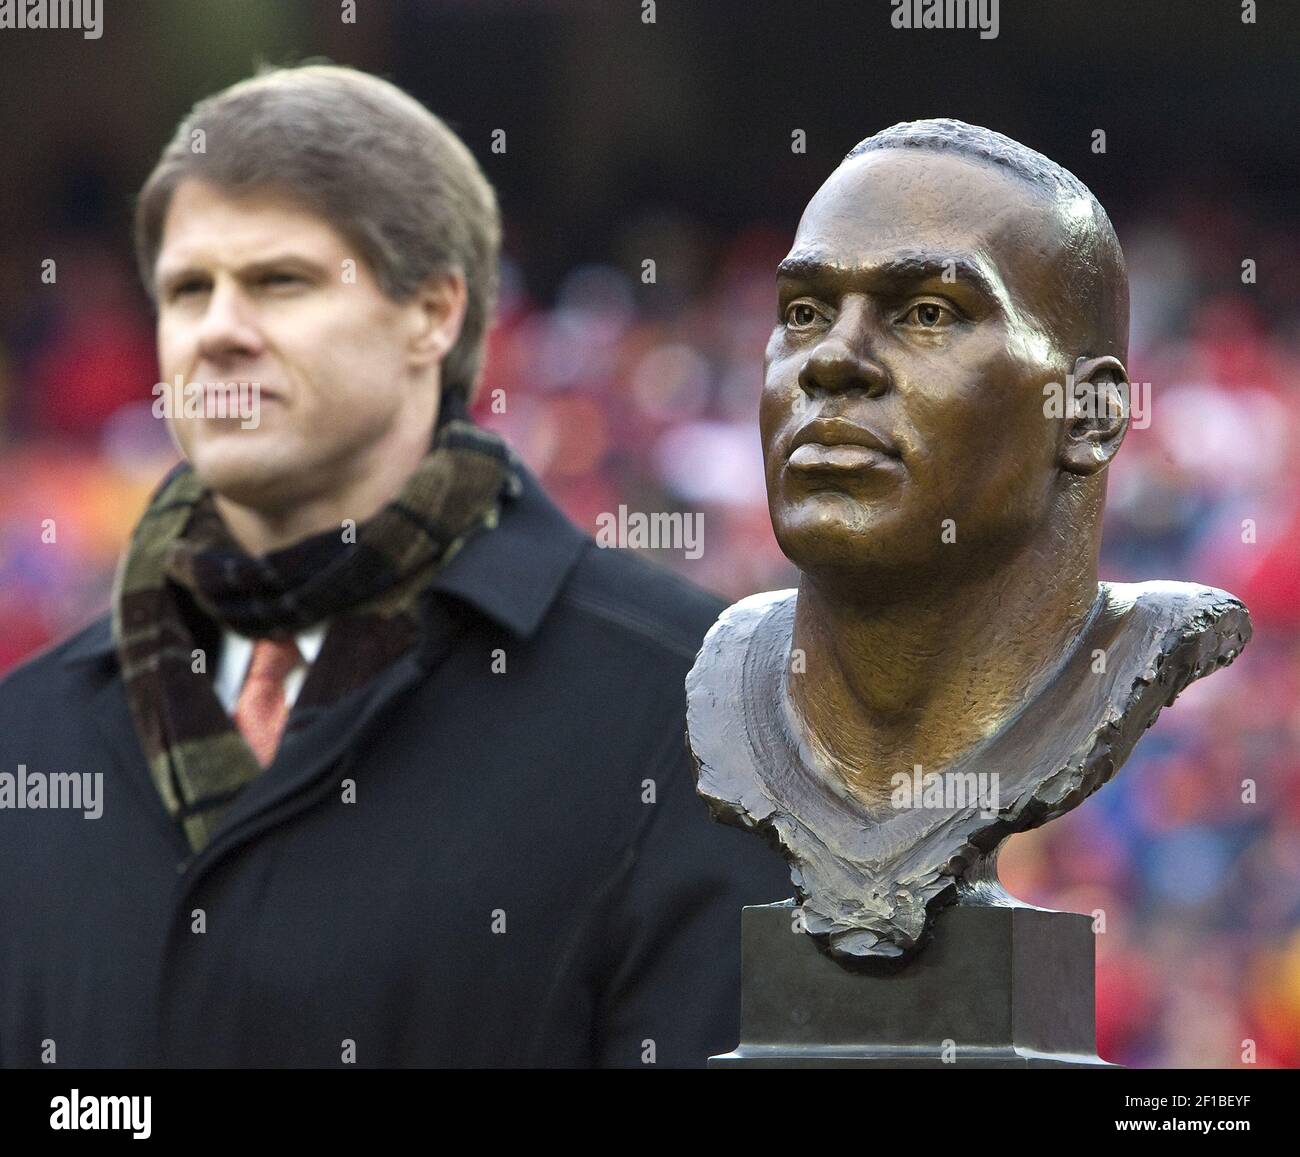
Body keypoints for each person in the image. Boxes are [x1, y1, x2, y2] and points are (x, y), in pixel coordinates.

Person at [0, 63, 789, 1067]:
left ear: (434, 313)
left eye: (278, 281)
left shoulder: (691, 711)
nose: (218, 332)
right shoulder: (24, 736)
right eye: (187, 289)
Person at [686, 119, 1250, 965]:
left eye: (925, 312)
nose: (833, 361)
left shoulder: (1133, 652)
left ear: (1089, 414)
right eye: (803, 311)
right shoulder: (728, 674)